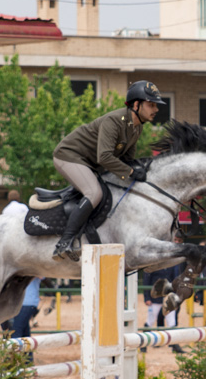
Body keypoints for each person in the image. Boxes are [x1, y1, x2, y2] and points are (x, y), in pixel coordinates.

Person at [50, 80, 165, 260]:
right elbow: (104, 157)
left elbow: (127, 160)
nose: (156, 109)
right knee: (94, 192)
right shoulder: (114, 121)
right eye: (151, 104)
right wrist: (132, 172)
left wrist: (143, 168)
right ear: (136, 104)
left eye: (156, 105)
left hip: (89, 163)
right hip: (69, 156)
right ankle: (64, 243)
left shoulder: (136, 128)